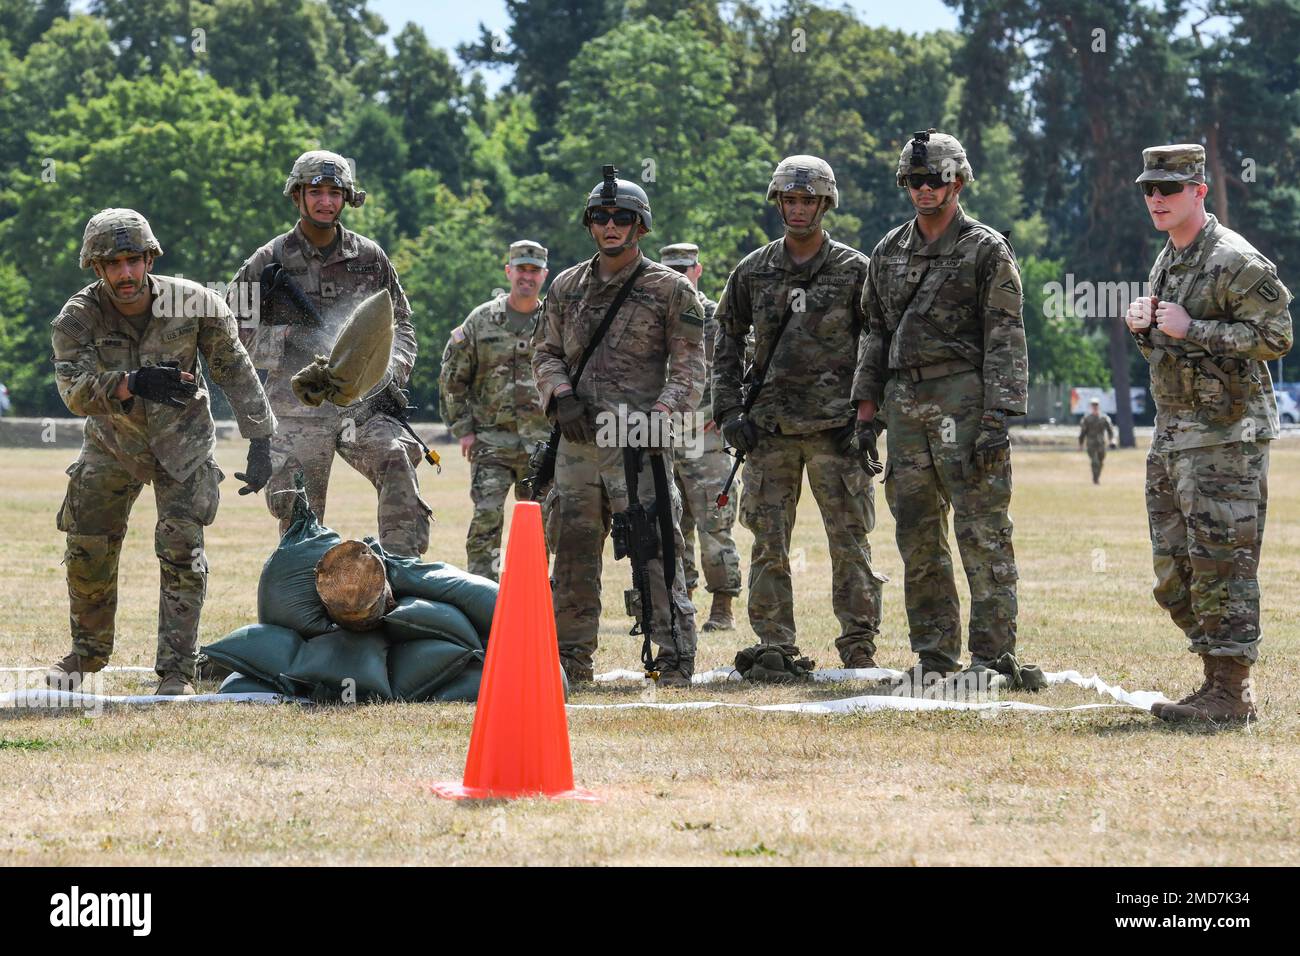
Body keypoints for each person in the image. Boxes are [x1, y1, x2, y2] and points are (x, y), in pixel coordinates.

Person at [47, 209, 276, 696]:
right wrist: (132, 383)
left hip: (183, 443)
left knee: (182, 552)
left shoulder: (196, 304)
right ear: (95, 268)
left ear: (150, 258)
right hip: (113, 442)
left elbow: (235, 370)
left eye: (134, 260)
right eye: (113, 264)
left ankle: (177, 670)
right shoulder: (77, 318)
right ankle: (87, 654)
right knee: (87, 545)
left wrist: (260, 439)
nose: (125, 274)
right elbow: (73, 393)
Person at [853, 129, 1039, 689]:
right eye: (914, 180)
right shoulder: (887, 250)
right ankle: (934, 655)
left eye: (935, 179)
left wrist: (998, 416)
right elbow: (874, 333)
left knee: (982, 530)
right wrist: (866, 412)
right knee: (917, 533)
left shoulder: (986, 249)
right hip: (904, 402)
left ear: (958, 181)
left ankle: (993, 657)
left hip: (966, 396)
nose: (924, 189)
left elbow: (1005, 336)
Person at [1124, 143, 1292, 722]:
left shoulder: (1235, 258)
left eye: (1167, 189)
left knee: (1224, 563)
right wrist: (1144, 328)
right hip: (1174, 431)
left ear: (1199, 190)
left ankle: (1230, 691)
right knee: (1175, 571)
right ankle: (1213, 677)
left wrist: (1196, 327)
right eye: (1148, 189)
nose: (1156, 199)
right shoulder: (1168, 258)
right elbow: (1172, 342)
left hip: (1226, 436)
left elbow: (1276, 335)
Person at [533, 166, 705, 687]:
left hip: (639, 444)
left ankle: (673, 659)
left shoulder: (671, 290)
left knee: (654, 549)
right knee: (572, 556)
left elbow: (692, 368)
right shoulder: (565, 285)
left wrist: (661, 416)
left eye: (622, 218)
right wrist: (560, 396)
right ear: (590, 224)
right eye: (602, 217)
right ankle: (569, 662)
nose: (611, 226)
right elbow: (544, 351)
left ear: (640, 226)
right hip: (579, 444)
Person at [713, 155, 883, 680]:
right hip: (769, 432)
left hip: (839, 434)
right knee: (767, 545)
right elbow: (725, 339)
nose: (799, 209)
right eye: (790, 199)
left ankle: (858, 644)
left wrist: (869, 416)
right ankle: (774, 645)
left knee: (851, 543)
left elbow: (879, 342)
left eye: (809, 199)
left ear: (825, 203)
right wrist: (728, 411)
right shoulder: (753, 269)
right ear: (778, 203)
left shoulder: (857, 270)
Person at [226, 150, 432, 556]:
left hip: (363, 405)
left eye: (334, 192)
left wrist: (388, 371)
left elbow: (401, 324)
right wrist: (287, 338)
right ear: (297, 195)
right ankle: (300, 599)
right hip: (296, 407)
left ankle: (405, 573)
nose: (325, 201)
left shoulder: (370, 257)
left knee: (396, 460)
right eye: (315, 191)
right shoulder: (269, 260)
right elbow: (229, 336)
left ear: (346, 198)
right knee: (299, 510)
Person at [439, 240, 552, 579]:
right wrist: (464, 429)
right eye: (521, 269)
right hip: (491, 443)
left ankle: (532, 597)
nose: (527, 277)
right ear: (509, 271)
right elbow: (452, 378)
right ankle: (482, 598)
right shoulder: (481, 320)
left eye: (534, 271)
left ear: (544, 275)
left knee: (541, 527)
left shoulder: (554, 322)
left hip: (541, 446)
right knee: (486, 521)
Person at [659, 242, 741, 631]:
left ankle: (722, 609)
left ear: (698, 269)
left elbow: (743, 365)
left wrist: (724, 413)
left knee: (715, 523)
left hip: (707, 438)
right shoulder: (652, 316)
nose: (678, 275)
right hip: (662, 436)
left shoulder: (716, 317)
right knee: (670, 528)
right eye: (670, 268)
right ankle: (681, 602)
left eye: (684, 267)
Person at [1078, 397, 1115, 483]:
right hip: (1091, 444)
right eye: (1093, 405)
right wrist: (1080, 444)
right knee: (1095, 461)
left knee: (1101, 461)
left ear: (1098, 406)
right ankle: (1095, 479)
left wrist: (1112, 440)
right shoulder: (1087, 419)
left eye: (1096, 405)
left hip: (1101, 444)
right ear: (1091, 406)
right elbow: (1082, 432)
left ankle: (1097, 477)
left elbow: (1110, 430)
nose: (1095, 406)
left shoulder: (1104, 418)